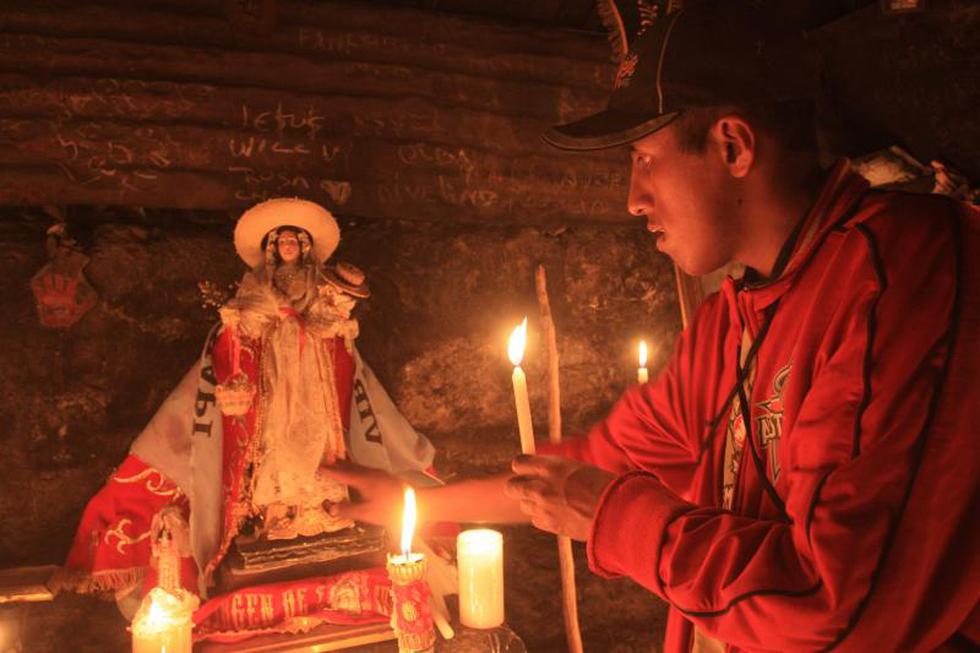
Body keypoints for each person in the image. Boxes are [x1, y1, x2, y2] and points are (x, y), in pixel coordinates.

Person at [324, 2, 979, 652]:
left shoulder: (899, 271)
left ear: (732, 145)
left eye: (643, 157)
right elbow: (594, 467)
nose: (633, 198)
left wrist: (617, 517)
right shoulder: (732, 320)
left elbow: (837, 612)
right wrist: (419, 501)